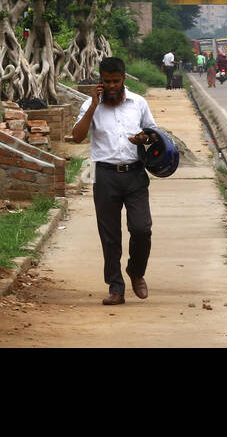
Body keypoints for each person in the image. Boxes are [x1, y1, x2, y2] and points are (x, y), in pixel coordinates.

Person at [71, 56, 157, 305]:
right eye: (106, 81)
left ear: (123, 78)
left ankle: (136, 271)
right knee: (109, 235)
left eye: (115, 81)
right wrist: (93, 106)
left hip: (135, 173)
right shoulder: (91, 104)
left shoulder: (138, 103)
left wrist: (144, 138)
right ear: (100, 80)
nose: (111, 86)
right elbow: (76, 137)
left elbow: (153, 133)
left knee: (142, 228)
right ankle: (115, 287)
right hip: (105, 175)